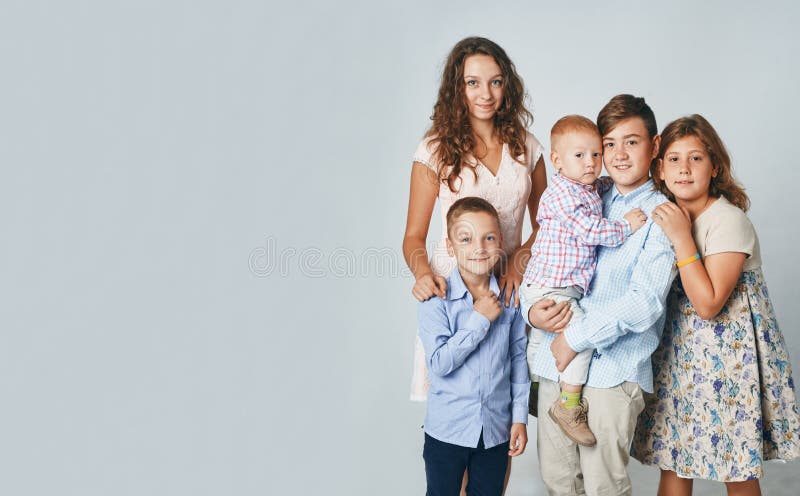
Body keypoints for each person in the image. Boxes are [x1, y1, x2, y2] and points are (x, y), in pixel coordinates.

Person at [631, 114, 800, 495]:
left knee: (736, 466)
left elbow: (708, 304)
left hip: (730, 365)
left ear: (715, 166)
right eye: (673, 159)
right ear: (659, 168)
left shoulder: (727, 219)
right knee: (673, 459)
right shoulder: (662, 214)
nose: (684, 169)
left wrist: (680, 238)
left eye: (696, 158)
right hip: (678, 359)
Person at [527, 94, 677, 495]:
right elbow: (545, 256)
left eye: (631, 141)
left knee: (602, 487)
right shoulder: (587, 192)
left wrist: (574, 337)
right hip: (555, 362)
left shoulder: (661, 215)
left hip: (614, 368)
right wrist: (531, 311)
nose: (618, 155)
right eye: (609, 144)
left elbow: (644, 303)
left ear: (655, 145)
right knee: (558, 480)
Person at [403, 36, 546, 402]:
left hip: (510, 287)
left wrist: (519, 260)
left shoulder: (527, 147)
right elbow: (413, 237)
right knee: (457, 405)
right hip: (454, 289)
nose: (486, 93)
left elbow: (550, 222)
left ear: (507, 87)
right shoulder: (434, 150)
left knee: (501, 410)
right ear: (458, 88)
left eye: (495, 82)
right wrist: (424, 275)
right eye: (473, 82)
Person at [519, 114, 647, 447]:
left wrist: (606, 183)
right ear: (557, 161)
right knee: (579, 338)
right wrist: (627, 225)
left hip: (551, 284)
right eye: (579, 156)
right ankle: (569, 405)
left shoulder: (583, 185)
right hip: (553, 286)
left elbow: (598, 187)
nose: (590, 163)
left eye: (595, 154)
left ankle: (534, 386)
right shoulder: (561, 195)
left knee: (540, 341)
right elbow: (591, 230)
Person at [418, 197, 529, 496]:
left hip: (495, 432)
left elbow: (518, 361)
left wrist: (519, 418)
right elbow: (440, 364)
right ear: (451, 246)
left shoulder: (510, 298)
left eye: (488, 238)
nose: (479, 248)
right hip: (447, 431)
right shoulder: (436, 300)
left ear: (500, 241)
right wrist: (478, 320)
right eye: (466, 239)